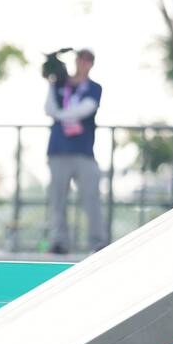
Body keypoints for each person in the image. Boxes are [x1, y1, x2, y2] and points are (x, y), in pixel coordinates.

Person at [45, 47, 107, 255]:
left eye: (88, 60)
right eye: (81, 59)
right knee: (57, 199)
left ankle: (97, 242)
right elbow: (48, 108)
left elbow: (86, 109)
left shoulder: (94, 88)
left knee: (91, 197)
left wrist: (63, 115)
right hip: (58, 149)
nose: (83, 63)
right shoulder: (59, 84)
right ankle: (59, 241)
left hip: (83, 150)